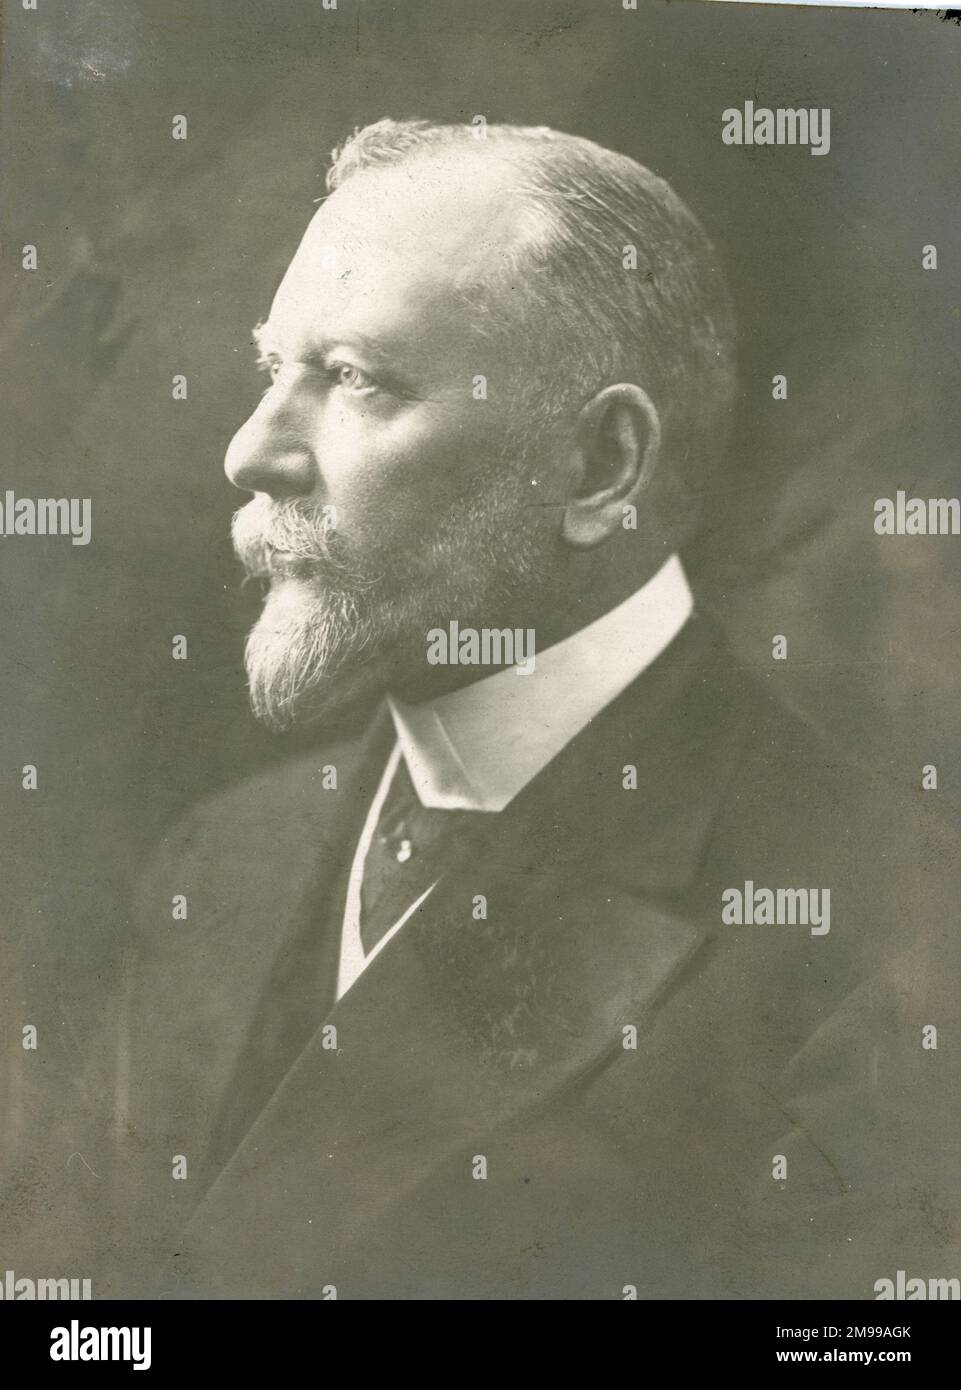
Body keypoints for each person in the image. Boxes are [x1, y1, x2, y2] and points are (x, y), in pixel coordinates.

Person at [101, 120, 960, 1299]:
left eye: (352, 377)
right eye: (270, 371)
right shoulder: (217, 863)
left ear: (602, 466)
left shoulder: (894, 949)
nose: (251, 452)